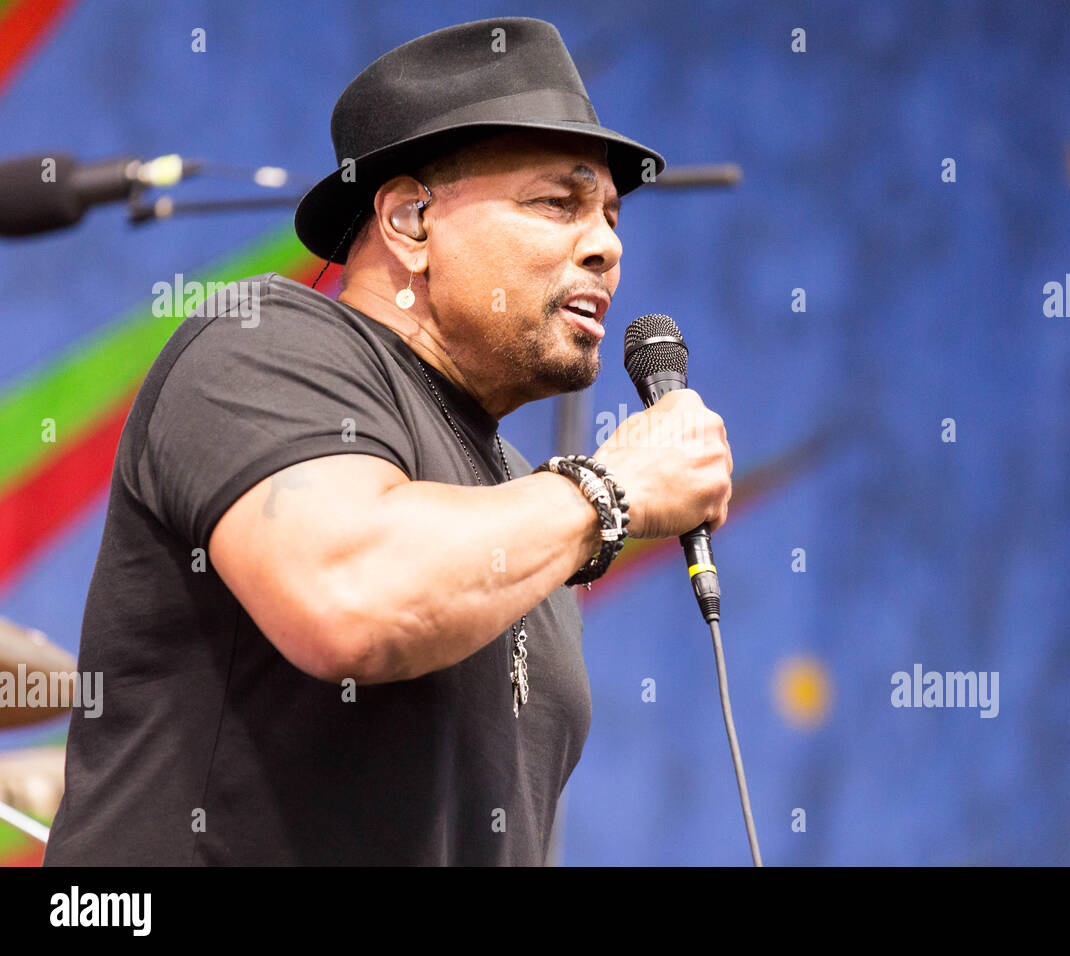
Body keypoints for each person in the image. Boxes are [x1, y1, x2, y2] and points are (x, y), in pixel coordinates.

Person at [42, 17, 732, 866]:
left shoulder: (528, 500)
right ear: (409, 220)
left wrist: (584, 500)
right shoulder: (262, 341)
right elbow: (351, 598)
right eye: (558, 203)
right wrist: (610, 489)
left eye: (613, 218)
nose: (606, 248)